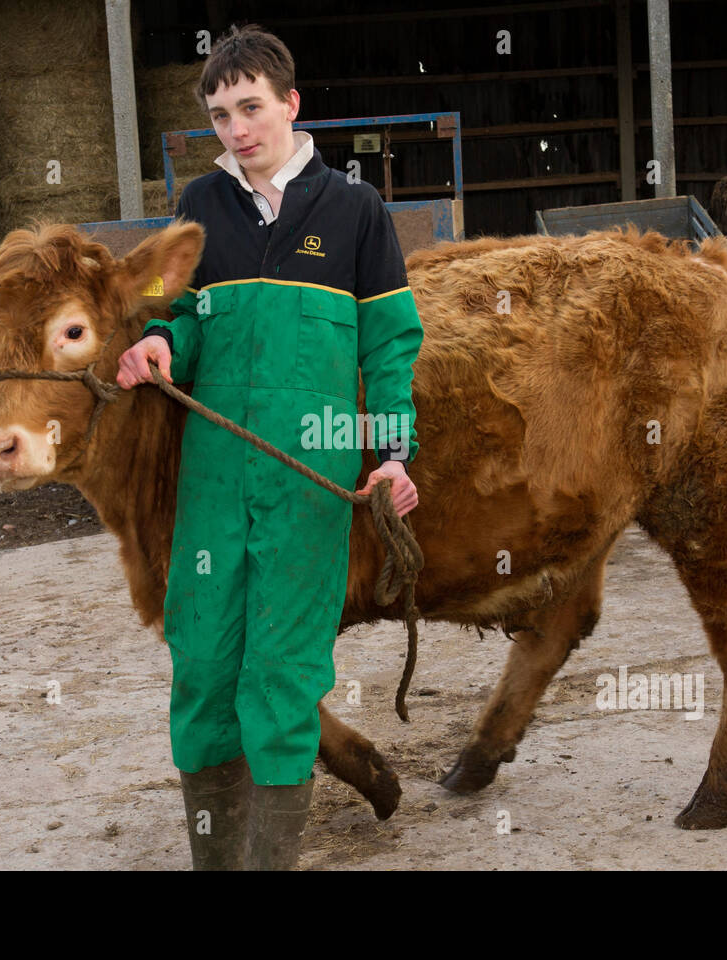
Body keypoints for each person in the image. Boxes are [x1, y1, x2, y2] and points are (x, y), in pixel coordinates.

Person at [116, 23, 423, 871]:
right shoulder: (200, 212)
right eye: (219, 115)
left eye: (250, 107)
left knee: (283, 673)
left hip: (308, 484)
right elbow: (173, 309)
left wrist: (392, 455)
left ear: (291, 103)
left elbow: (389, 348)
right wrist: (161, 342)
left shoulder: (357, 212)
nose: (236, 129)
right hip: (212, 481)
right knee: (205, 665)